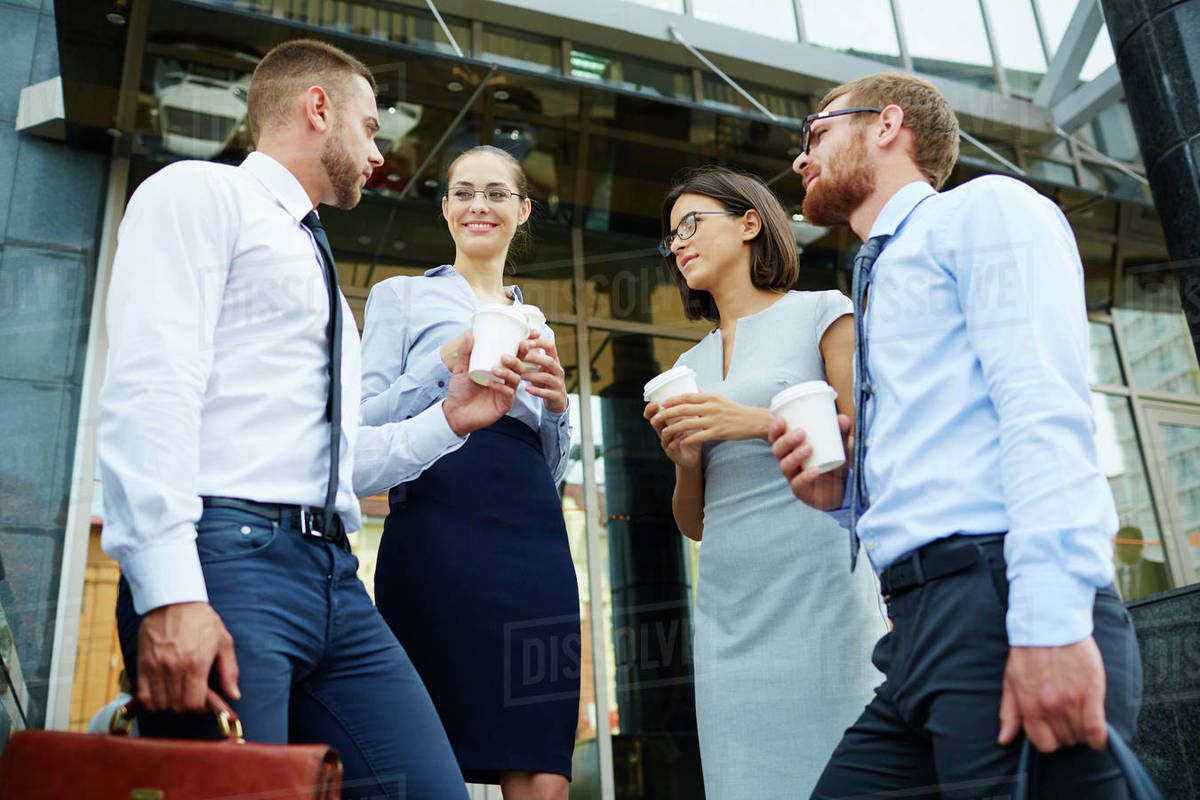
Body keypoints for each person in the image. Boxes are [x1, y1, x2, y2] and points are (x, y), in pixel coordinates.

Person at [98, 39, 526, 800]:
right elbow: (152, 389)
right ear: (317, 108)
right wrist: (167, 590)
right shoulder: (199, 194)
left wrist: (451, 421)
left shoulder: (315, 263)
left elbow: (346, 465)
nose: (378, 152)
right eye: (370, 128)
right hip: (227, 561)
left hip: (335, 577)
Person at [771, 72, 1143, 798]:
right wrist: (844, 493)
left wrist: (1049, 625)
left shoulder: (986, 211)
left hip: (1001, 608)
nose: (799, 159)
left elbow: (1042, 407)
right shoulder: (878, 275)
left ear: (886, 125)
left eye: (816, 133)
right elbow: (949, 457)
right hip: (916, 635)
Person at [644, 168, 884, 798]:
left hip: (822, 586)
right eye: (672, 238)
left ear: (750, 222)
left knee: (846, 770)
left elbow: (867, 439)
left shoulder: (821, 312)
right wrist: (686, 461)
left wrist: (750, 421)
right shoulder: (687, 367)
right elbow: (695, 524)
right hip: (730, 606)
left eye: (692, 224)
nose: (680, 244)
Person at [360, 144, 580, 800]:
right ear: (447, 209)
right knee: (422, 744)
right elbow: (363, 423)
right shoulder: (399, 296)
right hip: (437, 520)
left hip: (532, 536)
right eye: (462, 192)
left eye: (494, 193)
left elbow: (551, 465)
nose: (477, 205)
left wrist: (560, 407)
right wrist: (442, 363)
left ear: (522, 210)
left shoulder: (535, 321)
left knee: (541, 760)